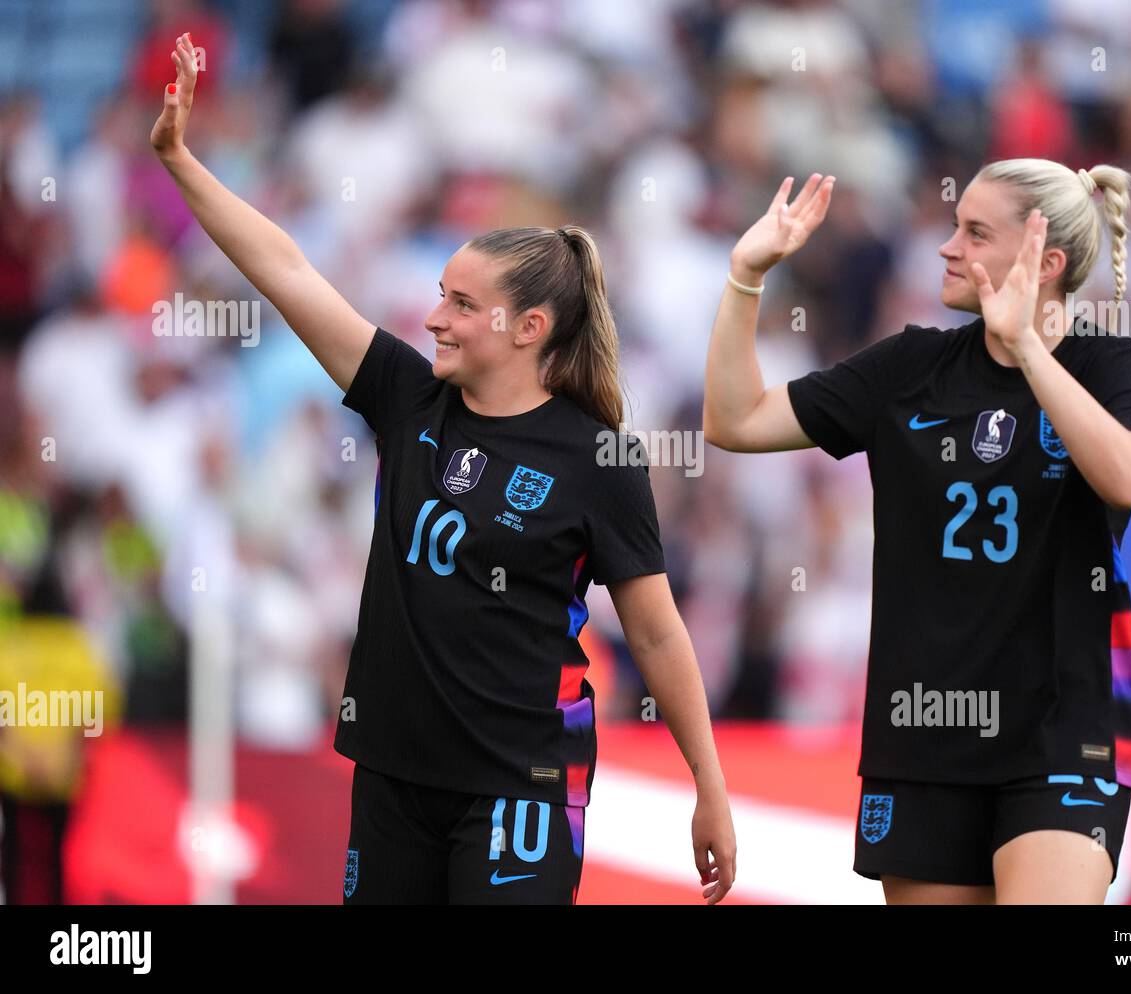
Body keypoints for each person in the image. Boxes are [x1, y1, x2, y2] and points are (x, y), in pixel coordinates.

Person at [150, 33, 735, 905]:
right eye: (439, 295)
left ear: (528, 328)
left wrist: (710, 787)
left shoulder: (598, 456)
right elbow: (287, 270)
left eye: (462, 304)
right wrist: (180, 161)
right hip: (391, 772)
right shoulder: (406, 397)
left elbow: (655, 634)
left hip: (521, 784)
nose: (434, 318)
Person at [704, 161, 1131, 904]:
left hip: (1061, 733)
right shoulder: (911, 365)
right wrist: (746, 277)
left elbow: (1129, 477)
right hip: (921, 733)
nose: (946, 247)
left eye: (975, 232)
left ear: (1045, 263)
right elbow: (734, 421)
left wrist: (1029, 352)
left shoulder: (1114, 365)